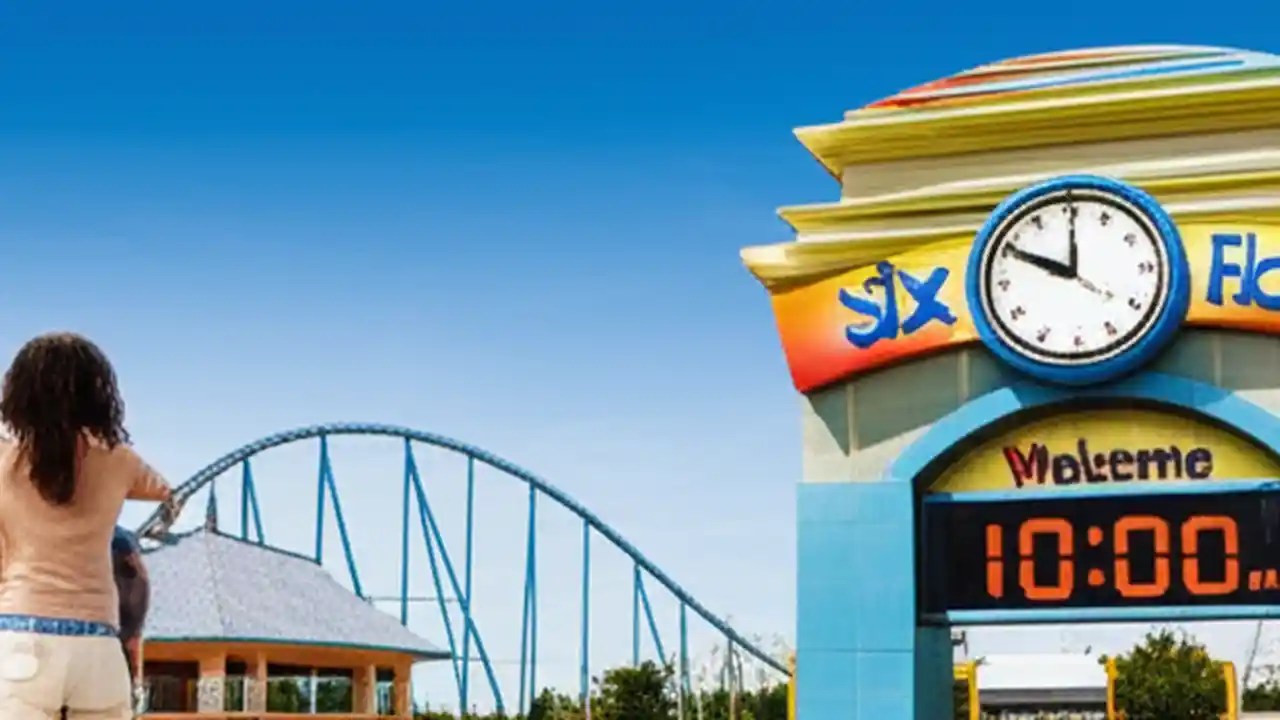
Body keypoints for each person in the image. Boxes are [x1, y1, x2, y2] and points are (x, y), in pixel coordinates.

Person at [0, 333, 179, 719]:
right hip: (97, 645)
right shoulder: (120, 460)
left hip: (21, 642)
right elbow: (168, 495)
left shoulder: (3, 461)